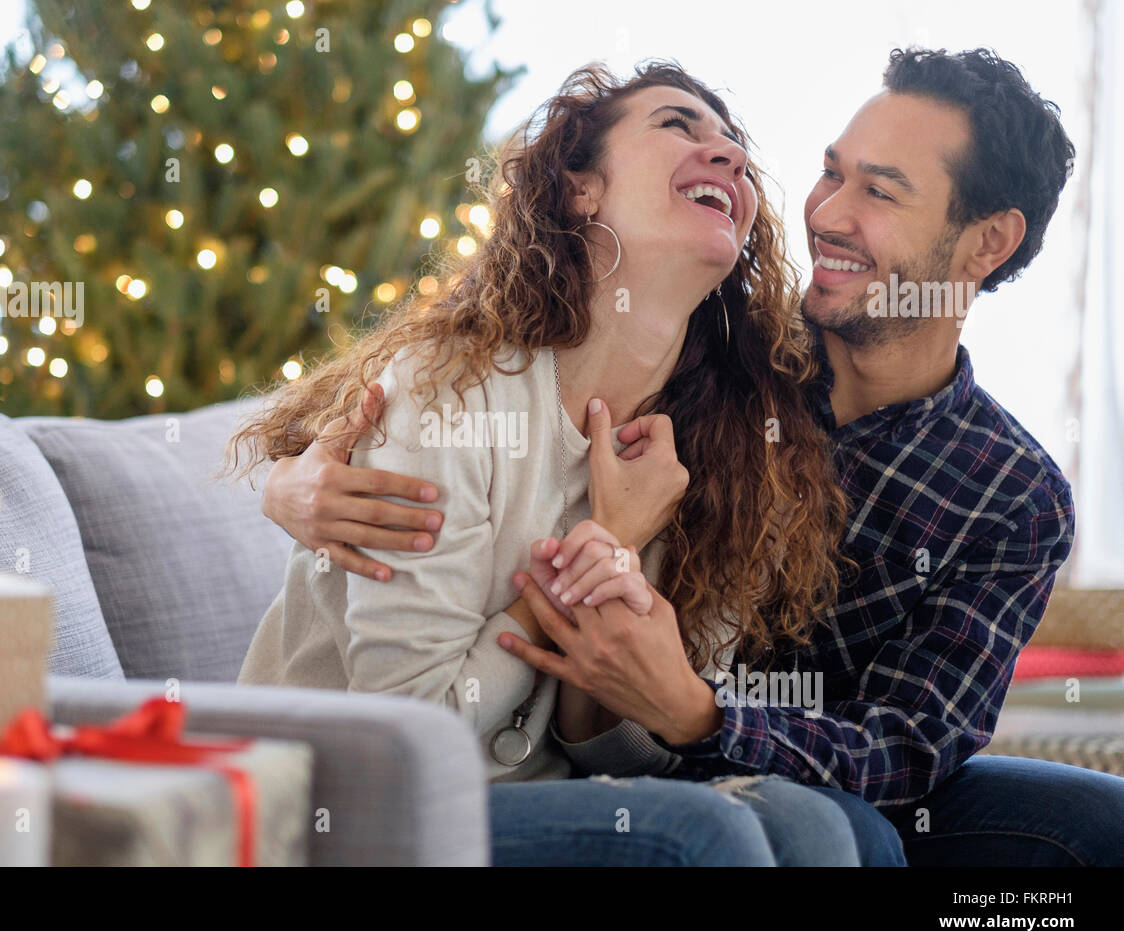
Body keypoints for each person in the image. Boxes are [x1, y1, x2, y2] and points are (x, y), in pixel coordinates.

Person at [257, 48, 1124, 866]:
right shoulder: (724, 361)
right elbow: (410, 401)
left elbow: (910, 744)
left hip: (731, 748)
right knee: (830, 832)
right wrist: (290, 487)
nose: (824, 213)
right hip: (637, 764)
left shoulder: (1008, 492)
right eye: (830, 173)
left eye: (881, 193)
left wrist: (693, 707)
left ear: (985, 243)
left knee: (1089, 826)